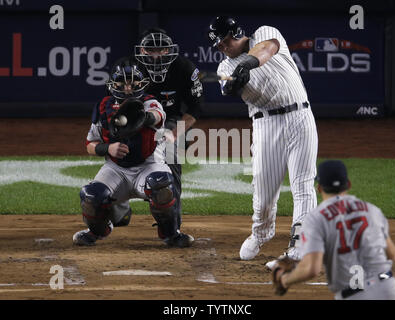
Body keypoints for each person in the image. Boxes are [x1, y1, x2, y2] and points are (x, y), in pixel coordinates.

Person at [207, 16, 318, 262]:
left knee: (303, 185)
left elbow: (267, 49)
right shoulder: (224, 67)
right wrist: (235, 81)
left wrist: (247, 63)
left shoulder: (265, 32)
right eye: (218, 46)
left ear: (236, 33)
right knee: (264, 194)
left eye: (224, 42)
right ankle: (261, 233)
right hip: (266, 124)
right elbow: (227, 87)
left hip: (300, 116)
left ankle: (300, 244)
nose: (222, 48)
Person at [72, 61, 194, 248]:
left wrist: (142, 117)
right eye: (123, 83)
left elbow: (157, 115)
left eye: (133, 83)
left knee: (161, 185)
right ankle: (98, 230)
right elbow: (90, 144)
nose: (128, 88)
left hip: (149, 164)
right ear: (114, 84)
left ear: (141, 84)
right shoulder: (103, 107)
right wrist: (108, 149)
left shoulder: (150, 102)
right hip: (116, 169)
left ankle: (170, 233)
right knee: (91, 196)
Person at [272, 160, 395, 299]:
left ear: (319, 188)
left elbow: (311, 269)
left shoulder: (315, 219)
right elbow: (392, 254)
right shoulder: (372, 211)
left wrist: (285, 280)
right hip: (390, 289)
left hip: (355, 295)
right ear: (348, 184)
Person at [110, 27, 203, 228]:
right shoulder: (126, 68)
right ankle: (119, 210)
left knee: (170, 154)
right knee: (119, 153)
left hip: (169, 120)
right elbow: (115, 104)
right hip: (134, 118)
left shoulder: (184, 68)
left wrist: (174, 134)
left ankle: (171, 218)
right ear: (140, 51)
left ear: (170, 50)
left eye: (161, 50)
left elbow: (195, 108)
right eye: (150, 50)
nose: (156, 55)